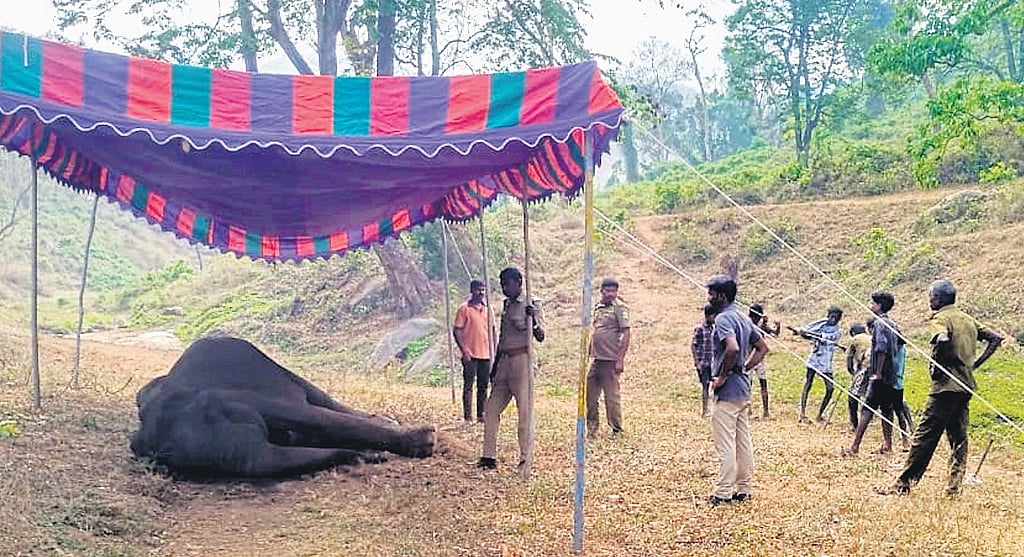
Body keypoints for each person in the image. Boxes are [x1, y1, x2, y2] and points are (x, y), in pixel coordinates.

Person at [880, 280, 1002, 497]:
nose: (929, 300)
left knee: (924, 437)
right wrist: (973, 365)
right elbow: (995, 339)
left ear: (938, 299)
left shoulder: (940, 318)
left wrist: (940, 360)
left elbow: (942, 338)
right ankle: (953, 489)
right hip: (965, 386)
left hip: (945, 388)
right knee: (958, 439)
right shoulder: (966, 319)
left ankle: (903, 485)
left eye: (931, 296)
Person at [705, 276, 770, 506]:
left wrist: (723, 376)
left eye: (712, 293)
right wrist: (745, 368)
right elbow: (762, 348)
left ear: (722, 296)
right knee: (743, 441)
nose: (709, 297)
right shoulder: (743, 318)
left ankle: (723, 492)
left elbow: (731, 348)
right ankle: (744, 488)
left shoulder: (723, 318)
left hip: (729, 391)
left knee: (725, 443)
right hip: (743, 389)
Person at [477, 267, 545, 471]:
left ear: (519, 283)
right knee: (491, 409)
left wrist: (533, 320)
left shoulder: (532, 303)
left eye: (508, 284)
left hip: (522, 361)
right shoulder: (506, 304)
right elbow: (503, 336)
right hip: (504, 362)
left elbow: (541, 336)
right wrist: (495, 366)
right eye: (502, 285)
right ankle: (488, 456)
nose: (505, 288)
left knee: (524, 411)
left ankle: (525, 458)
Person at [846, 292, 900, 456]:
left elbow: (881, 348)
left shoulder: (879, 324)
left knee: (867, 408)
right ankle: (888, 445)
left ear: (879, 306)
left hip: (879, 373)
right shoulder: (893, 324)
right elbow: (900, 342)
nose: (871, 306)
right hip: (891, 373)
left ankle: (854, 447)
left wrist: (877, 372)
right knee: (887, 409)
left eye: (873, 303)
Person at [587, 277, 631, 438]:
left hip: (610, 359)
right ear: (602, 291)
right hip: (597, 358)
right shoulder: (598, 307)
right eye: (608, 290)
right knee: (590, 395)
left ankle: (616, 429)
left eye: (614, 291)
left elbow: (626, 333)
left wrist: (620, 359)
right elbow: (596, 330)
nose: (611, 294)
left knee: (611, 397)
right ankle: (592, 429)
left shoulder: (619, 308)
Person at [453, 279, 494, 424]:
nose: (481, 293)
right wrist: (464, 350)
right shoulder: (464, 309)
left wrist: (494, 350)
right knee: (468, 386)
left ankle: (481, 414)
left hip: (485, 353)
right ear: (471, 291)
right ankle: (467, 416)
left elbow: (492, 330)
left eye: (483, 289)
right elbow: (457, 330)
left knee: (483, 386)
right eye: (478, 289)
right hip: (470, 354)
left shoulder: (488, 310)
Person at [795, 306, 844, 423]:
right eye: (831, 317)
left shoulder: (837, 331)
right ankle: (802, 413)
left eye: (835, 318)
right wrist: (802, 332)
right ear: (828, 316)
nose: (833, 319)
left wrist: (811, 333)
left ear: (839, 319)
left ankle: (819, 415)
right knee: (808, 384)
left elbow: (824, 337)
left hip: (826, 362)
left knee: (830, 388)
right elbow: (808, 335)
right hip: (815, 358)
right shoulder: (820, 324)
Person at [748, 303, 780, 419]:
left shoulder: (761, 326)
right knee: (748, 385)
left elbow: (775, 334)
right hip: (749, 358)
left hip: (759, 359)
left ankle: (766, 412)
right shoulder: (748, 325)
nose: (757, 319)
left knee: (763, 384)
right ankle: (748, 410)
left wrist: (778, 326)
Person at [691, 304, 716, 419]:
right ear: (707, 316)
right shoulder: (700, 329)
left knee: (715, 386)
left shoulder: (714, 329)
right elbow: (694, 345)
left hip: (713, 363)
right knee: (705, 386)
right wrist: (697, 362)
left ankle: (714, 409)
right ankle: (705, 410)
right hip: (704, 363)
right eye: (712, 316)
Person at [845, 323, 871, 433]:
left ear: (853, 333)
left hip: (866, 368)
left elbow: (849, 358)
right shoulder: (871, 337)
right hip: (877, 369)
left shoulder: (854, 339)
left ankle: (855, 424)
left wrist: (852, 372)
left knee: (852, 396)